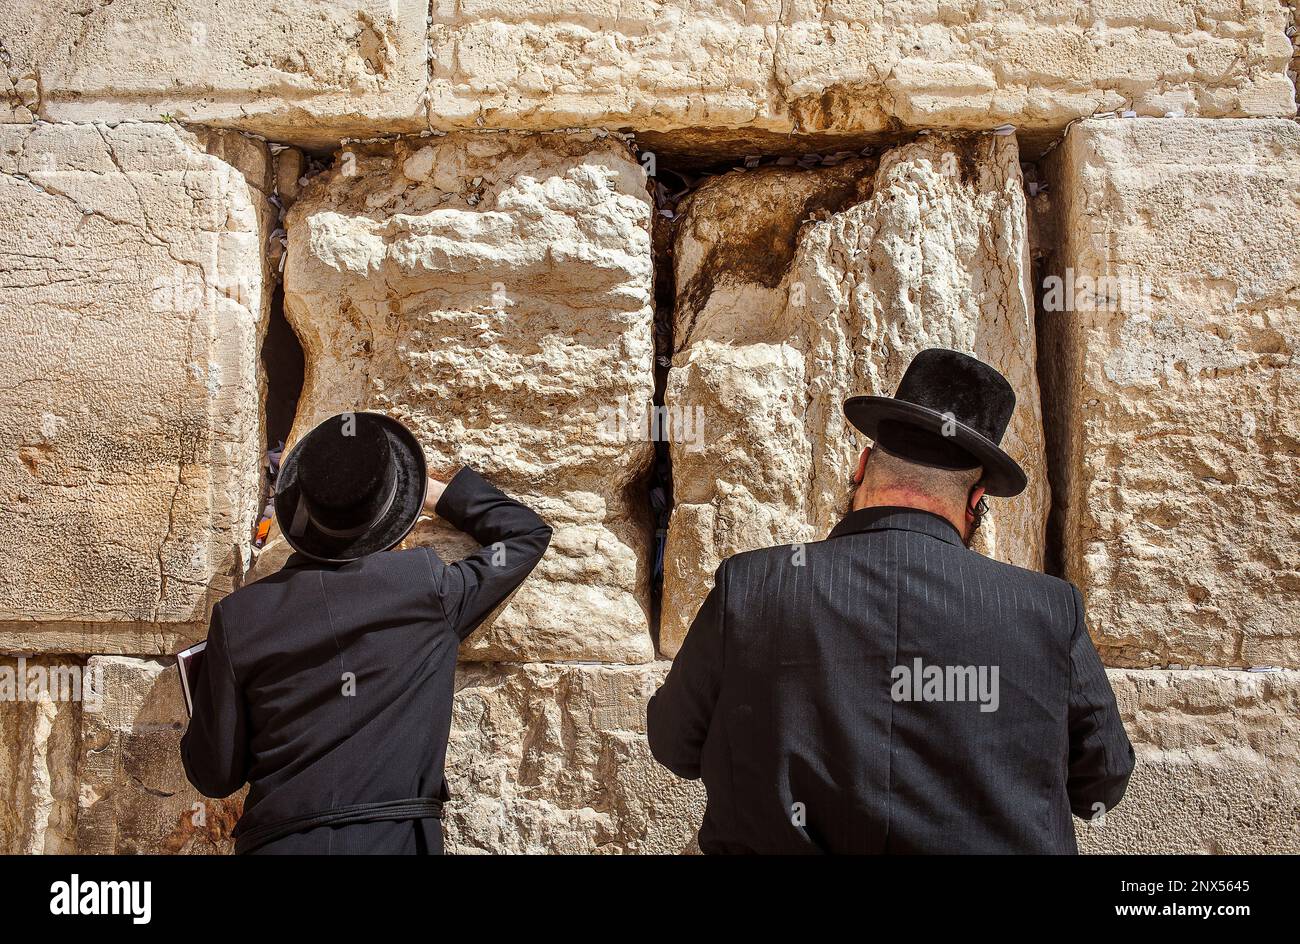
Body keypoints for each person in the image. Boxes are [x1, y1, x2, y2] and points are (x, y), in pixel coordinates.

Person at [647, 348, 1134, 854]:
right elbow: (1102, 782)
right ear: (975, 502)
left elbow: (674, 744)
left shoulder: (750, 586)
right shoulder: (1050, 611)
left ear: (861, 466)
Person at [180, 411, 551, 854]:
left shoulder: (239, 617)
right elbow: (524, 534)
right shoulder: (425, 589)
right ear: (392, 513)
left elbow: (214, 775)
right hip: (392, 841)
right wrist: (427, 491)